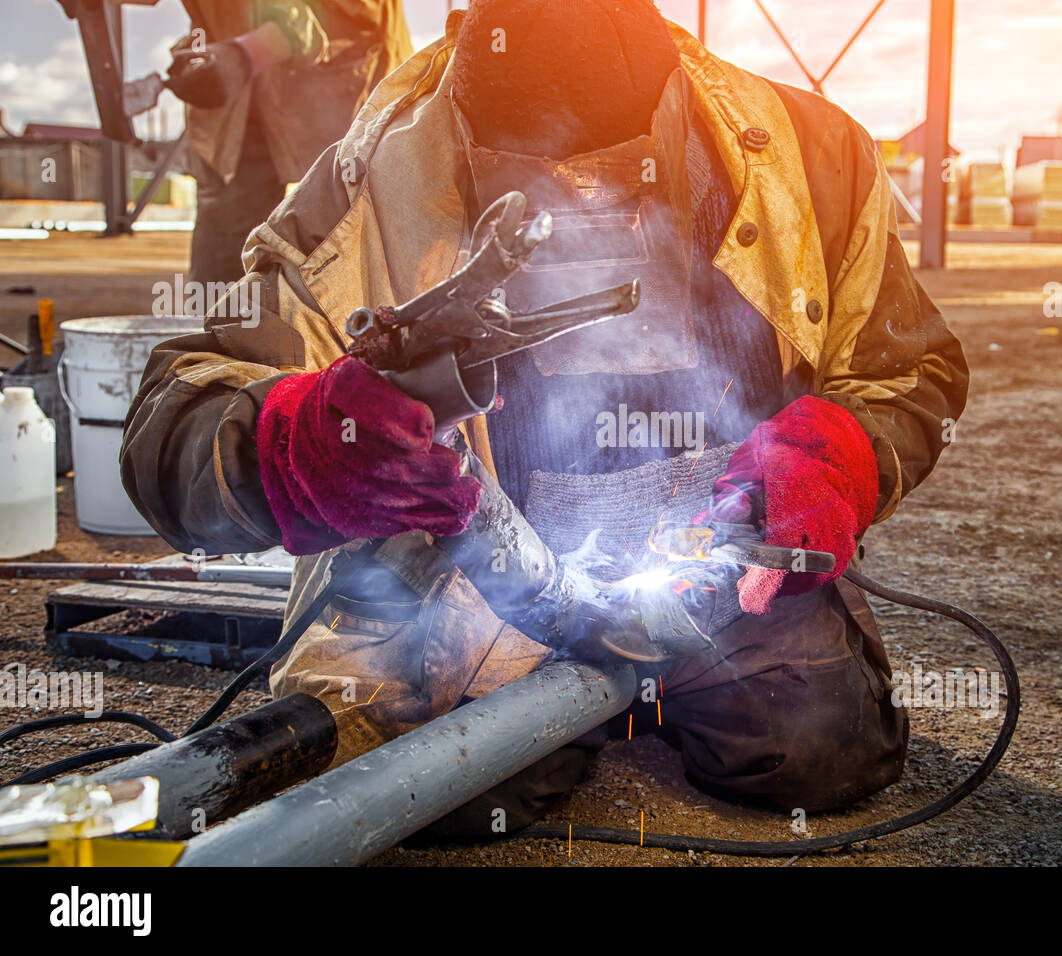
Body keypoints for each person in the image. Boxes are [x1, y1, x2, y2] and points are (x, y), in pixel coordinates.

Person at [123, 0, 969, 834]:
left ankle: (640, 698)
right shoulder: (361, 193)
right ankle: (584, 708)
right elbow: (175, 409)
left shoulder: (807, 158)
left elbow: (907, 368)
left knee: (818, 753)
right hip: (479, 589)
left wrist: (832, 454)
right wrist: (295, 442)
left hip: (721, 571)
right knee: (459, 795)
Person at [163, 0, 411, 284]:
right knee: (223, 283)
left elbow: (349, 14)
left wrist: (253, 49)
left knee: (344, 266)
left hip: (339, 90)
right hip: (235, 103)